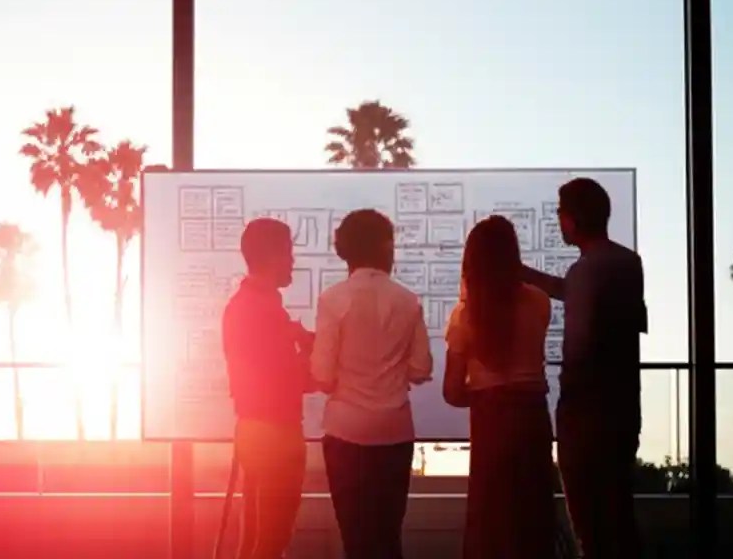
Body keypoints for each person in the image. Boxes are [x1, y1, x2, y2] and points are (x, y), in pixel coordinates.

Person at [521, 177, 647, 559]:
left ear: (573, 218)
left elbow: (582, 342)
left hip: (585, 418)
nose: (559, 220)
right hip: (624, 412)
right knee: (619, 519)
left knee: (590, 531)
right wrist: (528, 275)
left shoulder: (585, 272)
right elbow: (572, 292)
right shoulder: (628, 263)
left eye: (561, 212)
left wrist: (565, 405)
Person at [311, 209, 433, 559]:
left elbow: (322, 375)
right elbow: (421, 368)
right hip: (395, 432)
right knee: (388, 536)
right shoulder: (408, 300)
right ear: (386, 248)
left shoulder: (332, 300)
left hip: (345, 433)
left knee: (356, 538)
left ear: (344, 250)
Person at [443, 215, 556, 559]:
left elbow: (451, 391)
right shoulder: (539, 302)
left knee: (491, 523)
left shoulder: (465, 316)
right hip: (533, 419)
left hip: (490, 421)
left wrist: (484, 393)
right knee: (532, 520)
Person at [221, 218, 316, 559]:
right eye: (288, 253)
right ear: (273, 256)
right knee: (272, 541)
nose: (292, 261)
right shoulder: (263, 310)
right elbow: (291, 380)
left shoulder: (247, 304)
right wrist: (312, 350)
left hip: (254, 429)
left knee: (255, 540)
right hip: (276, 433)